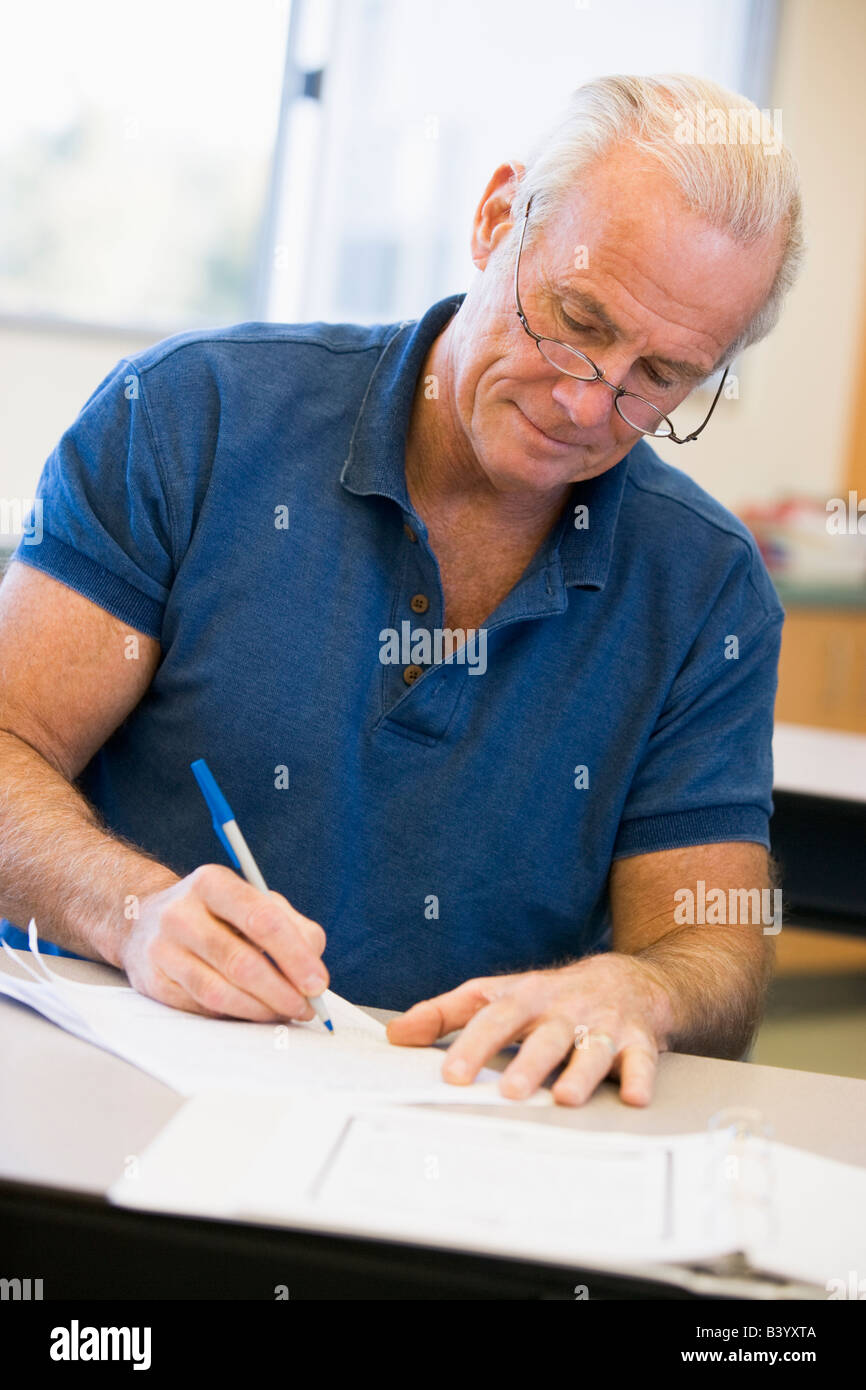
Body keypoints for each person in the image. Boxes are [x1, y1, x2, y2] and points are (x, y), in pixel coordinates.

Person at [0, 74, 803, 1106]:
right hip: (120, 1081)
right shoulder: (191, 419)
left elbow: (711, 942)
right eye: (576, 319)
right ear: (494, 218)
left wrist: (639, 986)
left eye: (661, 376)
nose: (584, 401)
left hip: (461, 1128)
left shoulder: (704, 587)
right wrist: (131, 909)